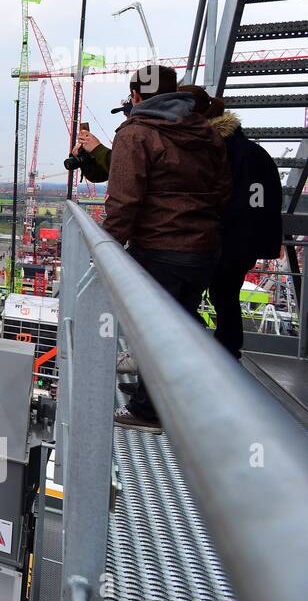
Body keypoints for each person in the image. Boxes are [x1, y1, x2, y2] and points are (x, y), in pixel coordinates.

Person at [100, 66, 231, 430]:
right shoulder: (205, 131)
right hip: (203, 248)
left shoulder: (136, 133)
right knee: (181, 324)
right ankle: (166, 398)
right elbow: (223, 192)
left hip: (160, 248)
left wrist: (104, 246)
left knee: (154, 333)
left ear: (137, 96)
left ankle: (149, 410)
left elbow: (124, 201)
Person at [179, 87, 283, 359]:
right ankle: (226, 351)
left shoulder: (216, 150)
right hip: (247, 241)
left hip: (222, 238)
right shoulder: (255, 152)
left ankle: (197, 348)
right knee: (225, 296)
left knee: (181, 294)